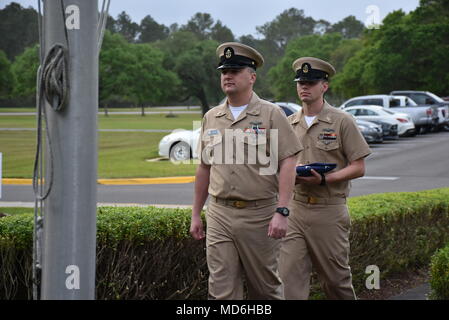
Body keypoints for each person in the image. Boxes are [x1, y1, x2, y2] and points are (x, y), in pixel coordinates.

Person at [189, 42, 303, 300]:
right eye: (224, 71)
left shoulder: (271, 114)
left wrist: (282, 211)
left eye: (235, 70)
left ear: (252, 77)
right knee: (221, 290)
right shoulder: (212, 116)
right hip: (219, 214)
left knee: (265, 289)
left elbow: (288, 161)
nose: (227, 76)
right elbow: (204, 167)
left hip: (259, 215)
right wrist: (196, 213)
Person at [278, 57, 372, 300]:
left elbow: (358, 167)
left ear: (324, 86)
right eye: (300, 82)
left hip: (328, 211)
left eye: (310, 82)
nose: (304, 87)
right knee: (289, 279)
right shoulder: (288, 124)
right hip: (296, 209)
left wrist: (324, 180)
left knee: (336, 281)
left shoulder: (342, 121)